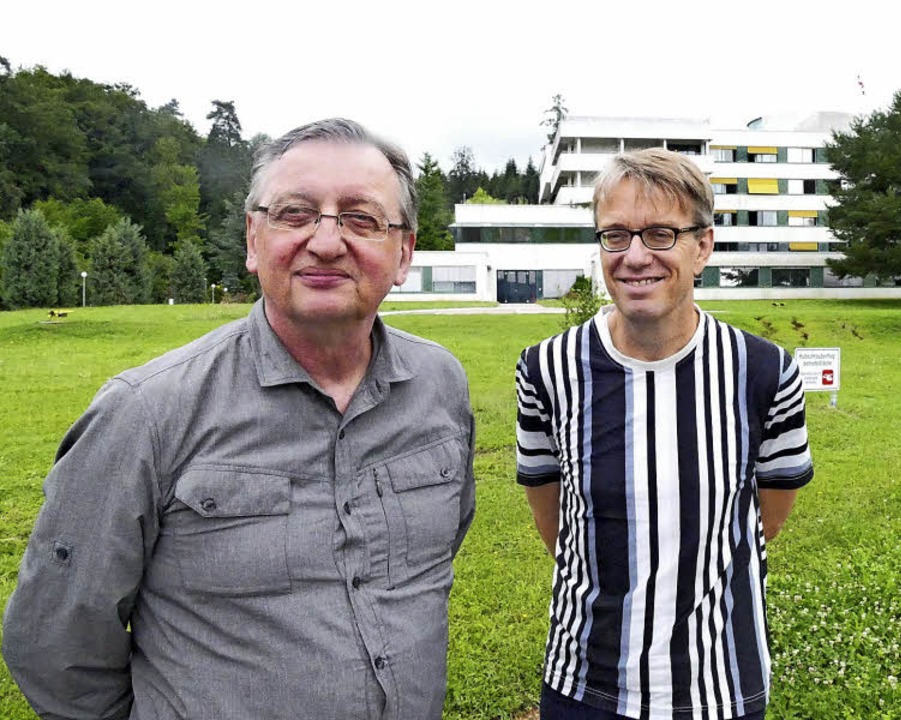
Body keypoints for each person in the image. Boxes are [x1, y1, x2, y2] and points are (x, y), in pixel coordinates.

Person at [2, 118, 476, 720]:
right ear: (254, 239)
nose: (327, 243)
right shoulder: (146, 413)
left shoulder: (440, 387)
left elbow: (436, 557)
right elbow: (53, 641)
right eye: (295, 214)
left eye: (361, 218)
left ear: (404, 251)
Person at [515, 148, 813, 720]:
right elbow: (551, 520)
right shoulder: (546, 370)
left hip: (718, 682)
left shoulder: (766, 372)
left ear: (703, 246)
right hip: (583, 683)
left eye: (659, 234)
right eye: (615, 235)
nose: (633, 257)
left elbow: (768, 514)